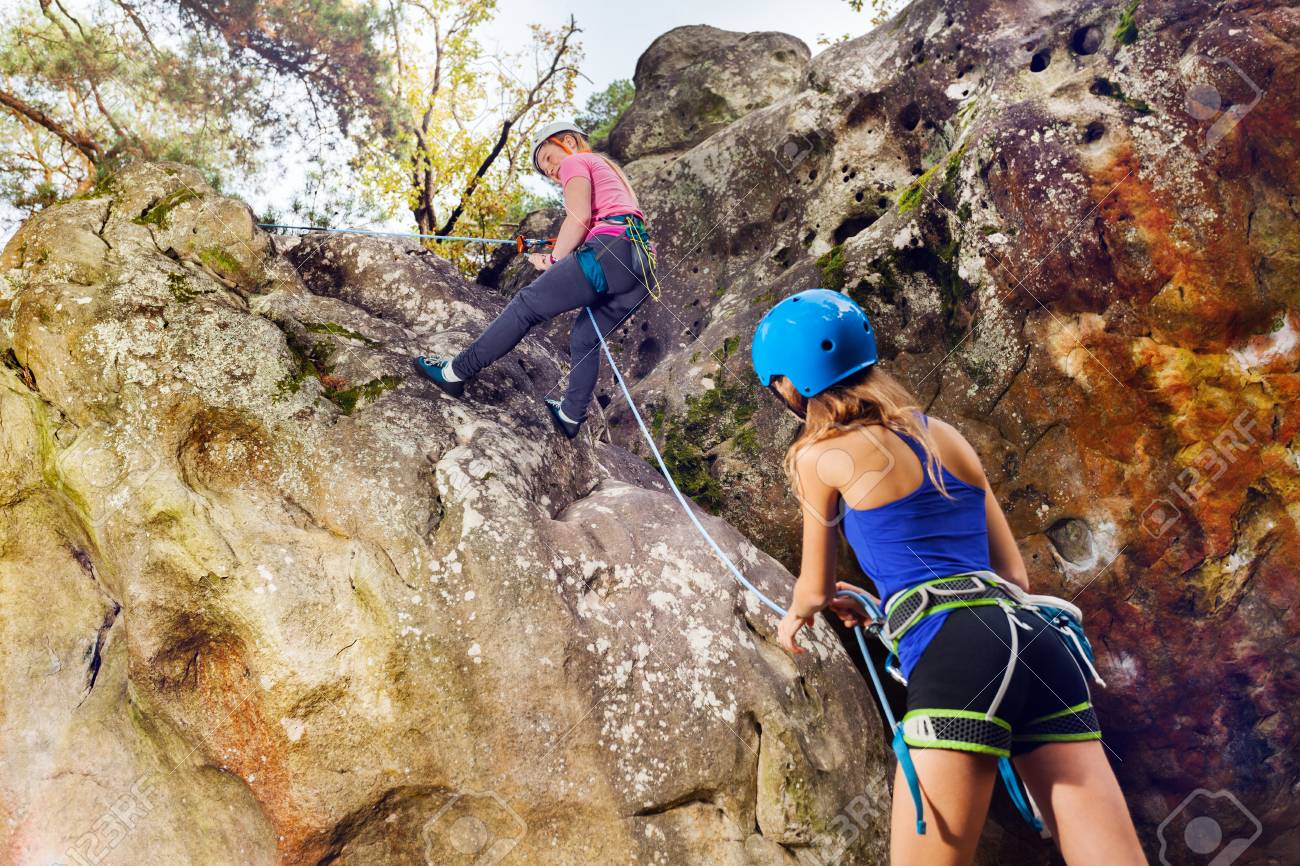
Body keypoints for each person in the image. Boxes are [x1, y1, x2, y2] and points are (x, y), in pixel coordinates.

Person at [752, 289, 1148, 866]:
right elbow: (1011, 575)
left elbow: (813, 589)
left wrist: (796, 616)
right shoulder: (945, 436)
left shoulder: (818, 456)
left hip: (959, 659)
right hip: (1039, 643)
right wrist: (889, 612)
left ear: (793, 383)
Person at [415, 119, 654, 439]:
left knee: (526, 305)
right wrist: (554, 260)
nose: (553, 170)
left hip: (612, 249)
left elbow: (580, 217)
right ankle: (572, 413)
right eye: (546, 170)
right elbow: (592, 225)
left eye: (549, 159)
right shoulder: (609, 173)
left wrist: (555, 261)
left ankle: (454, 372)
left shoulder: (577, 160)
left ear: (567, 141)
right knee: (585, 337)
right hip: (640, 268)